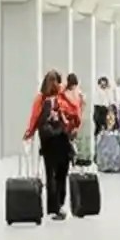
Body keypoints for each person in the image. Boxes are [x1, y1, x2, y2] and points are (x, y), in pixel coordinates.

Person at [24, 70, 82, 221]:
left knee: (51, 173)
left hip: (48, 140)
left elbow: (35, 117)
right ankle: (60, 205)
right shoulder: (61, 97)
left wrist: (29, 132)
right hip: (61, 138)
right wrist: (75, 127)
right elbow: (75, 113)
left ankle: (53, 208)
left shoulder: (41, 98)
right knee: (61, 173)